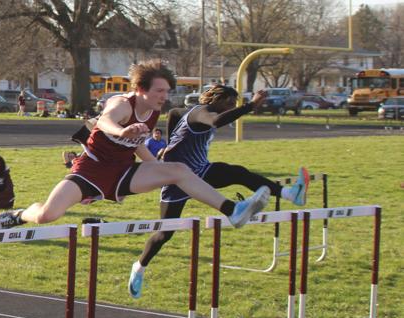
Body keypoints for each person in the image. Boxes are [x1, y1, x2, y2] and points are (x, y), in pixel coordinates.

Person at [0, 59, 270, 232]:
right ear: (140, 89)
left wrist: (158, 169)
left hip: (122, 172)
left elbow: (137, 147)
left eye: (167, 91)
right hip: (90, 171)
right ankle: (18, 216)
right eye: (159, 91)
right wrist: (123, 130)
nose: (164, 96)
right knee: (48, 214)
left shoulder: (153, 111)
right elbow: (105, 124)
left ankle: (233, 210)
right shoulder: (122, 104)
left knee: (179, 170)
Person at [128, 86, 310, 298]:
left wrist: (169, 143)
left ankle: (290, 194)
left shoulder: (190, 112)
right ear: (216, 99)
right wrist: (250, 106)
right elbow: (215, 121)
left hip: (201, 171)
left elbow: (175, 113)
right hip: (175, 180)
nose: (231, 108)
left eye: (234, 104)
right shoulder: (201, 113)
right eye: (229, 103)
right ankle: (139, 267)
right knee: (165, 233)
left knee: (237, 172)